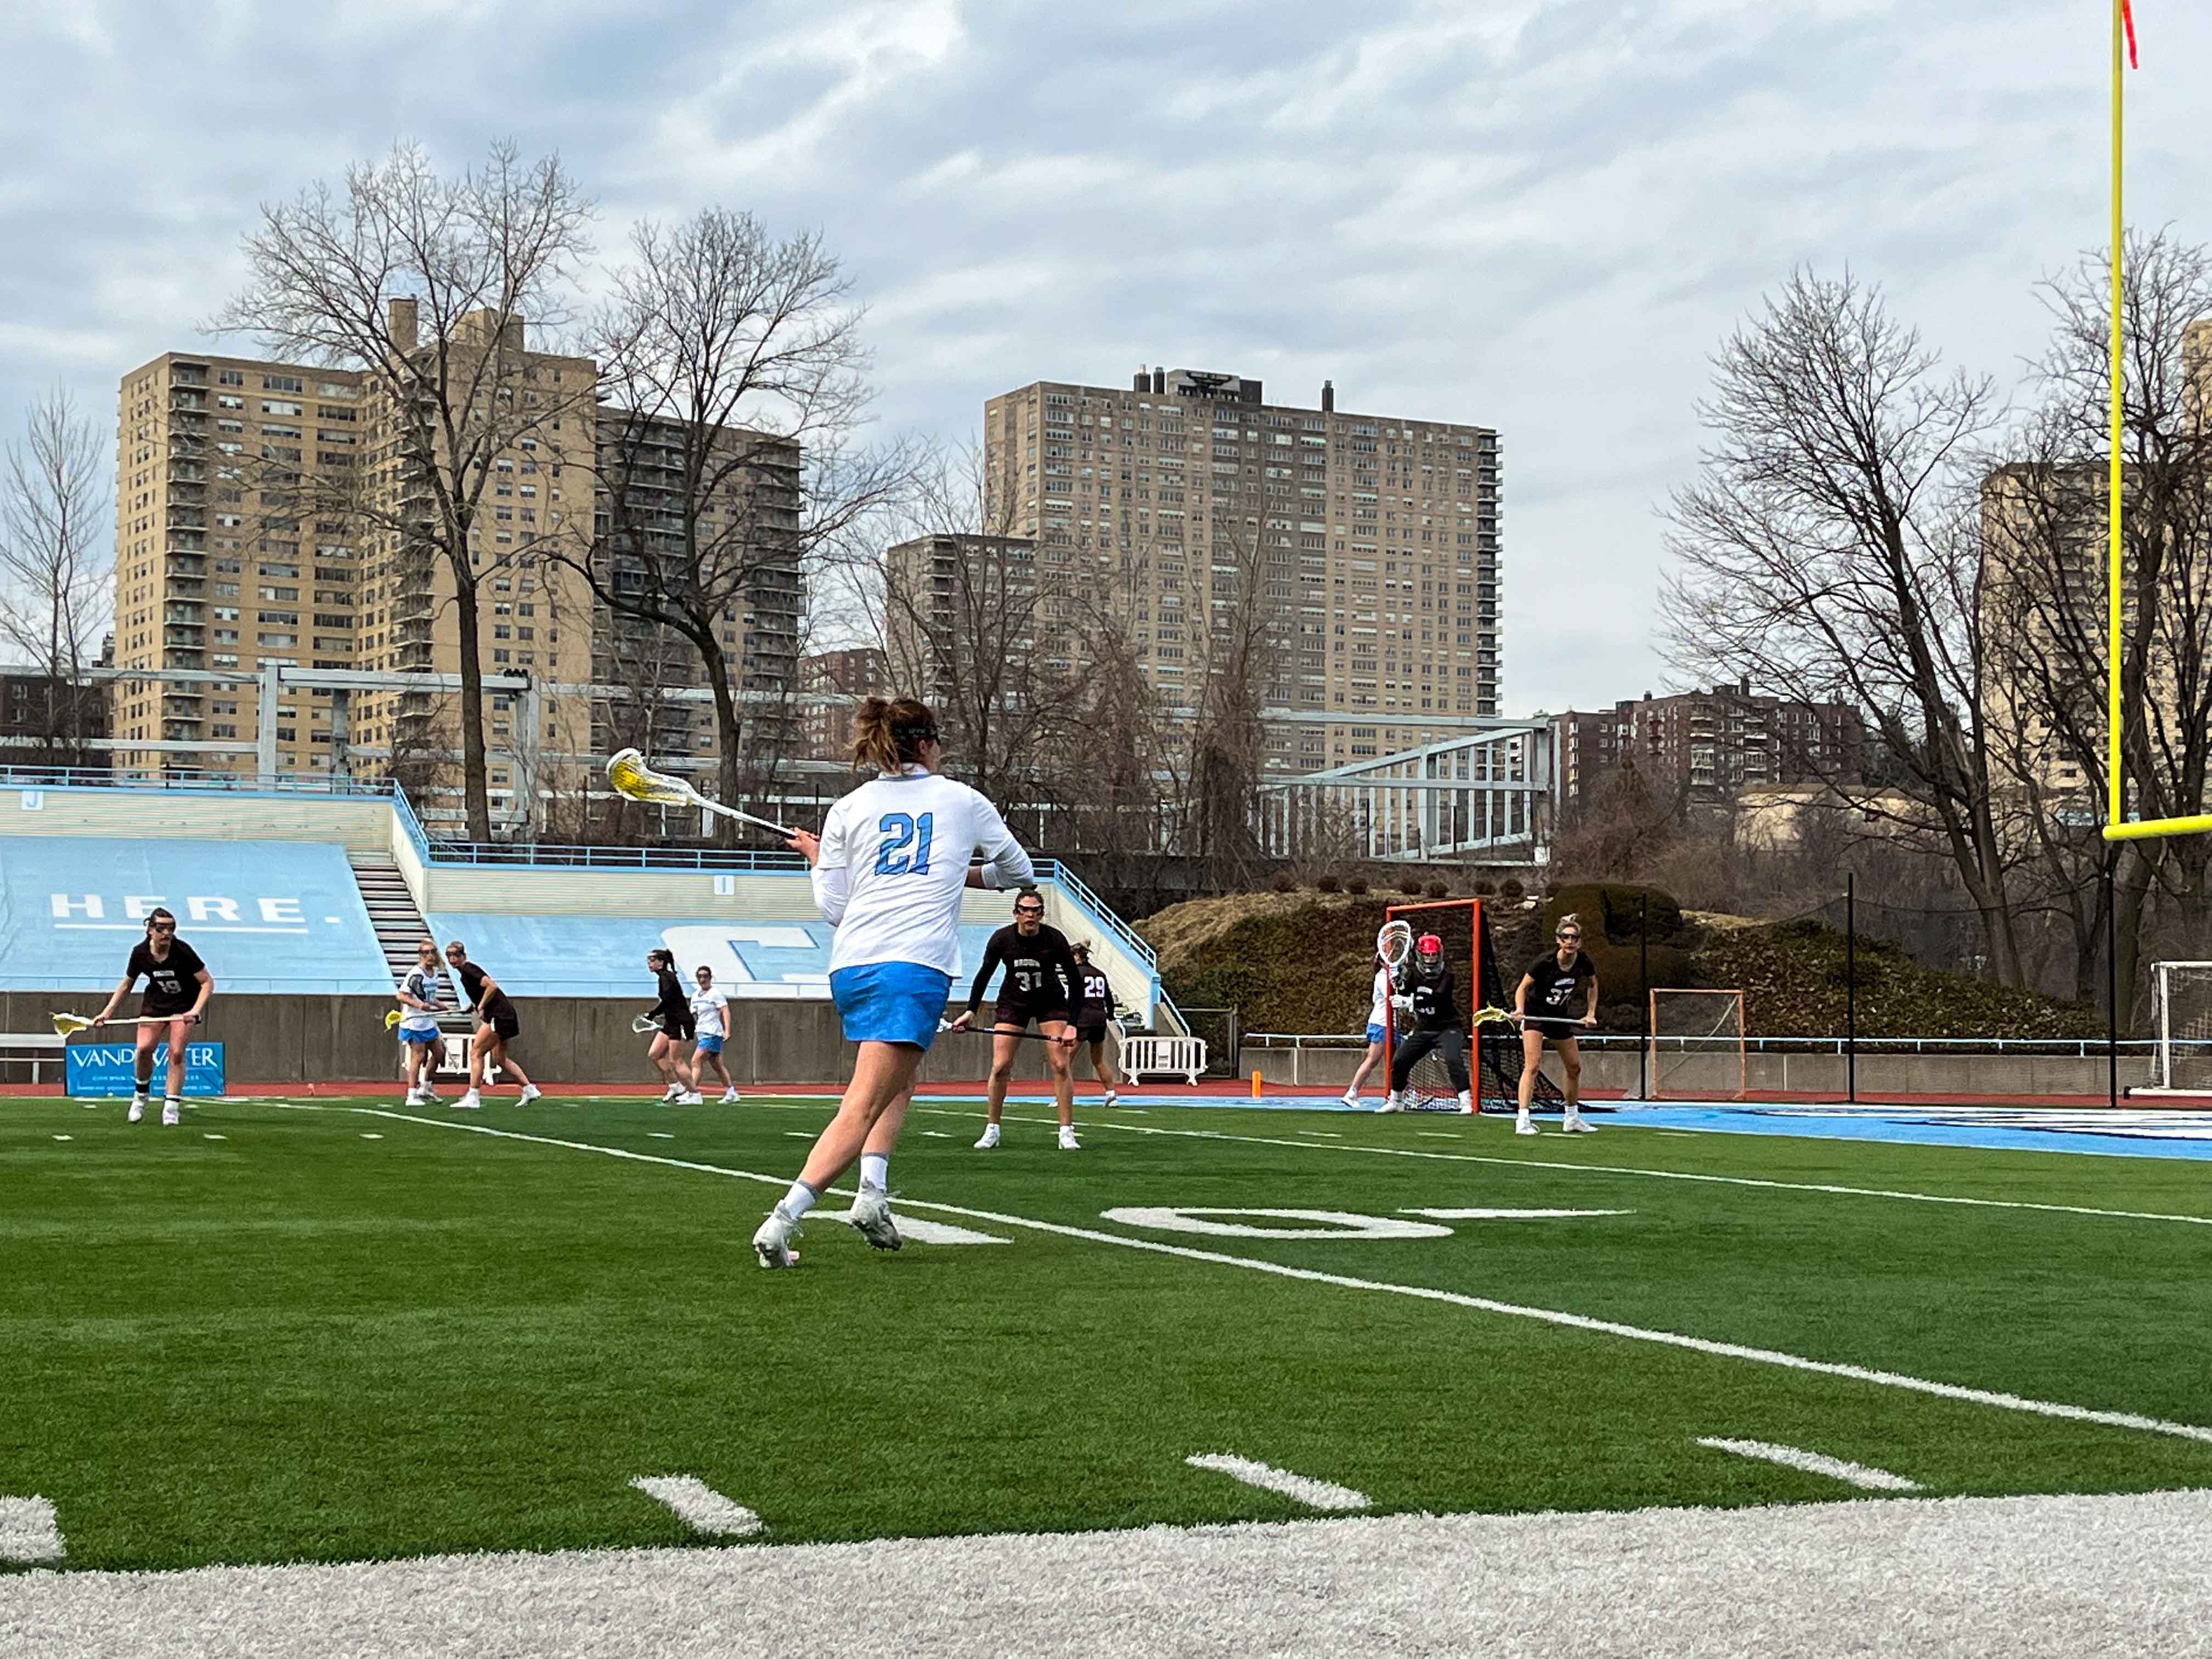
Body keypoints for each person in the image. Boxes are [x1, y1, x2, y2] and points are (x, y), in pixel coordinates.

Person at [752, 695, 1037, 1269]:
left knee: (897, 1082)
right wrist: (958, 872)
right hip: (914, 965)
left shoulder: (849, 808)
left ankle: (872, 1195)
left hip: (853, 964)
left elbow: (835, 906)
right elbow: (1020, 874)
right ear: (927, 743)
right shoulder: (963, 800)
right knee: (861, 1104)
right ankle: (782, 1220)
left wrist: (816, 856)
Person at [955, 887, 1081, 1151]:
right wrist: (970, 1010)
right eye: (1025, 910)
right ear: (1016, 913)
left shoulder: (1054, 939)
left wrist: (1073, 1025)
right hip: (1014, 1002)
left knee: (1060, 1063)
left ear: (1042, 914)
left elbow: (1075, 982)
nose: (1030, 916)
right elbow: (984, 974)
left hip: (1050, 1002)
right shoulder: (1002, 939)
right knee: (1001, 1065)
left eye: (1035, 911)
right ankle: (993, 1129)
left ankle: (1066, 1131)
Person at [92, 906, 212, 1127]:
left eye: (171, 929)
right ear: (150, 930)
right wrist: (106, 1013)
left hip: (183, 1007)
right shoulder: (140, 953)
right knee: (144, 1049)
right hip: (155, 1006)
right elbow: (127, 984)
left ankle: (171, 1107)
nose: (167, 933)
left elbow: (207, 982)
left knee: (176, 1053)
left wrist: (195, 1011)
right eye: (161, 928)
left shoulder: (183, 951)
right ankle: (140, 1096)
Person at [1514, 913, 1599, 1135]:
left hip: (1559, 1015)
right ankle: (1523, 1120)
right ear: (1558, 940)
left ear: (1579, 941)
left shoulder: (1583, 961)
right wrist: (1520, 1010)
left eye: (1574, 938)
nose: (1570, 942)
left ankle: (1572, 1117)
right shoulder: (1545, 962)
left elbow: (1593, 984)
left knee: (1574, 1066)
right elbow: (1522, 988)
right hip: (1536, 1015)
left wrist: (1590, 1013)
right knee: (1533, 1065)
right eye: (1566, 938)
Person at [1380, 932, 1473, 1115]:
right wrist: (1398, 982)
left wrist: (1410, 1003)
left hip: (1448, 1027)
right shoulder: (1414, 975)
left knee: (1453, 1059)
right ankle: (1396, 1100)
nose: (1431, 960)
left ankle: (1465, 1101)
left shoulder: (1447, 976)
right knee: (1400, 1060)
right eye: (1427, 955)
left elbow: (1438, 998)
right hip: (1423, 1028)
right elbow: (1404, 992)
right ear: (1420, 955)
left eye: (1434, 955)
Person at [445, 941, 542, 1111]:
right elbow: (483, 992)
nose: (453, 959)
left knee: (476, 1052)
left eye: (456, 955)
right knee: (500, 1059)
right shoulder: (464, 974)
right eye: (450, 956)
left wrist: (481, 1006)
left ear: (464, 957)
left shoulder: (469, 969)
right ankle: (529, 1089)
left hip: (499, 1016)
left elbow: (491, 986)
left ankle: (474, 1096)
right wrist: (474, 1005)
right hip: (505, 1015)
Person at [1068, 941, 1123, 1107]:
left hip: (1082, 1020)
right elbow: (1109, 998)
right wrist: (1111, 1015)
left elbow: (1073, 999)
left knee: (1065, 1060)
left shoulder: (1076, 973)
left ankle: (1062, 1097)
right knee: (1098, 1061)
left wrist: (1069, 1020)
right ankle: (1111, 1094)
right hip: (1099, 1020)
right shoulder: (1099, 973)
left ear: (1076, 957)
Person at [645, 948, 701, 1104]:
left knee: (676, 1061)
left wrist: (653, 1014)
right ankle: (676, 1087)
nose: (649, 964)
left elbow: (668, 1001)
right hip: (671, 1021)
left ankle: (694, 1094)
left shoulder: (667, 978)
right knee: (655, 1054)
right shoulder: (663, 978)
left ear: (661, 962)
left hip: (681, 1021)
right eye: (648, 961)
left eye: (652, 961)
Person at [396, 937, 446, 1108]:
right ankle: (411, 1094)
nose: (430, 956)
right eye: (426, 953)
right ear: (420, 955)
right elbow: (402, 995)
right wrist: (419, 1005)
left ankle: (426, 1087)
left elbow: (429, 997)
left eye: (433, 952)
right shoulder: (416, 974)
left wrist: (441, 1005)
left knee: (440, 1053)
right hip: (414, 1022)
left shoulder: (435, 973)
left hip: (427, 1022)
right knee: (419, 1056)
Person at [1341, 950, 1392, 1108]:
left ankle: (1397, 1093)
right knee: (1373, 1060)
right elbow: (1391, 994)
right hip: (1381, 1024)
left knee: (1401, 1060)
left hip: (1391, 1025)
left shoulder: (1390, 976)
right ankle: (1352, 1093)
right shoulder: (1382, 977)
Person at [690, 963, 738, 1104]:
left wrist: (727, 1030)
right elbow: (693, 1015)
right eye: (699, 977)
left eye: (705, 976)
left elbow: (725, 1011)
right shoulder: (695, 996)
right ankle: (731, 1092)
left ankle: (692, 1092)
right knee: (717, 1064)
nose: (702, 979)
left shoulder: (715, 994)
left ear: (711, 978)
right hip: (702, 1033)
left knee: (696, 1060)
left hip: (713, 1034)